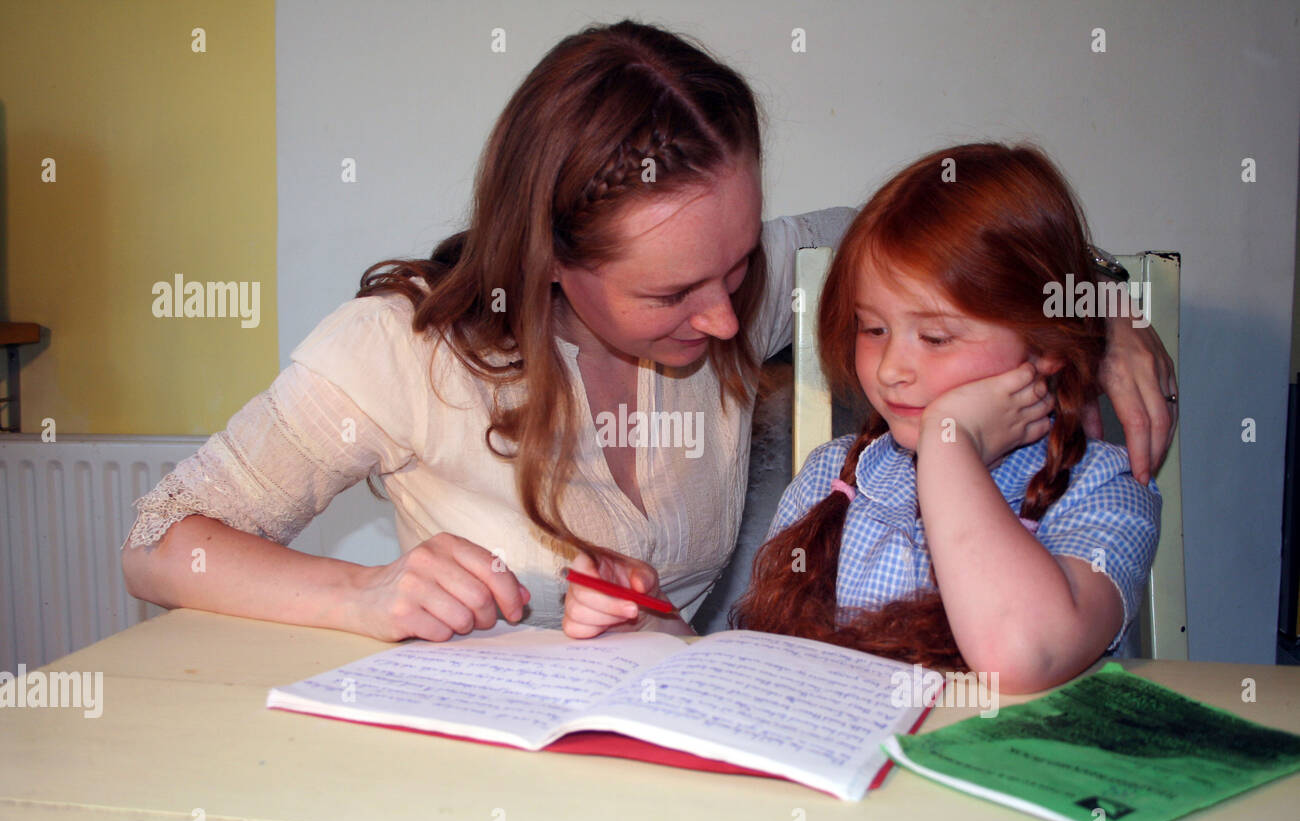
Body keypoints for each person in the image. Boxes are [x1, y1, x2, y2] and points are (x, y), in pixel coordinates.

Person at [121, 21, 1176, 647]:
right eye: (672, 296)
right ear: (551, 265)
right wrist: (361, 593)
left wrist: (1096, 309)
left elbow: (952, 241)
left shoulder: (733, 290)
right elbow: (161, 540)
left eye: (737, 270)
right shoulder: (397, 355)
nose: (725, 320)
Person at [729, 143, 1163, 694]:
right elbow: (760, 669)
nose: (890, 370)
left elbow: (1023, 654)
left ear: (1045, 345)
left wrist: (949, 448)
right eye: (872, 328)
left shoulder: (1103, 491)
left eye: (935, 337)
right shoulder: (831, 478)